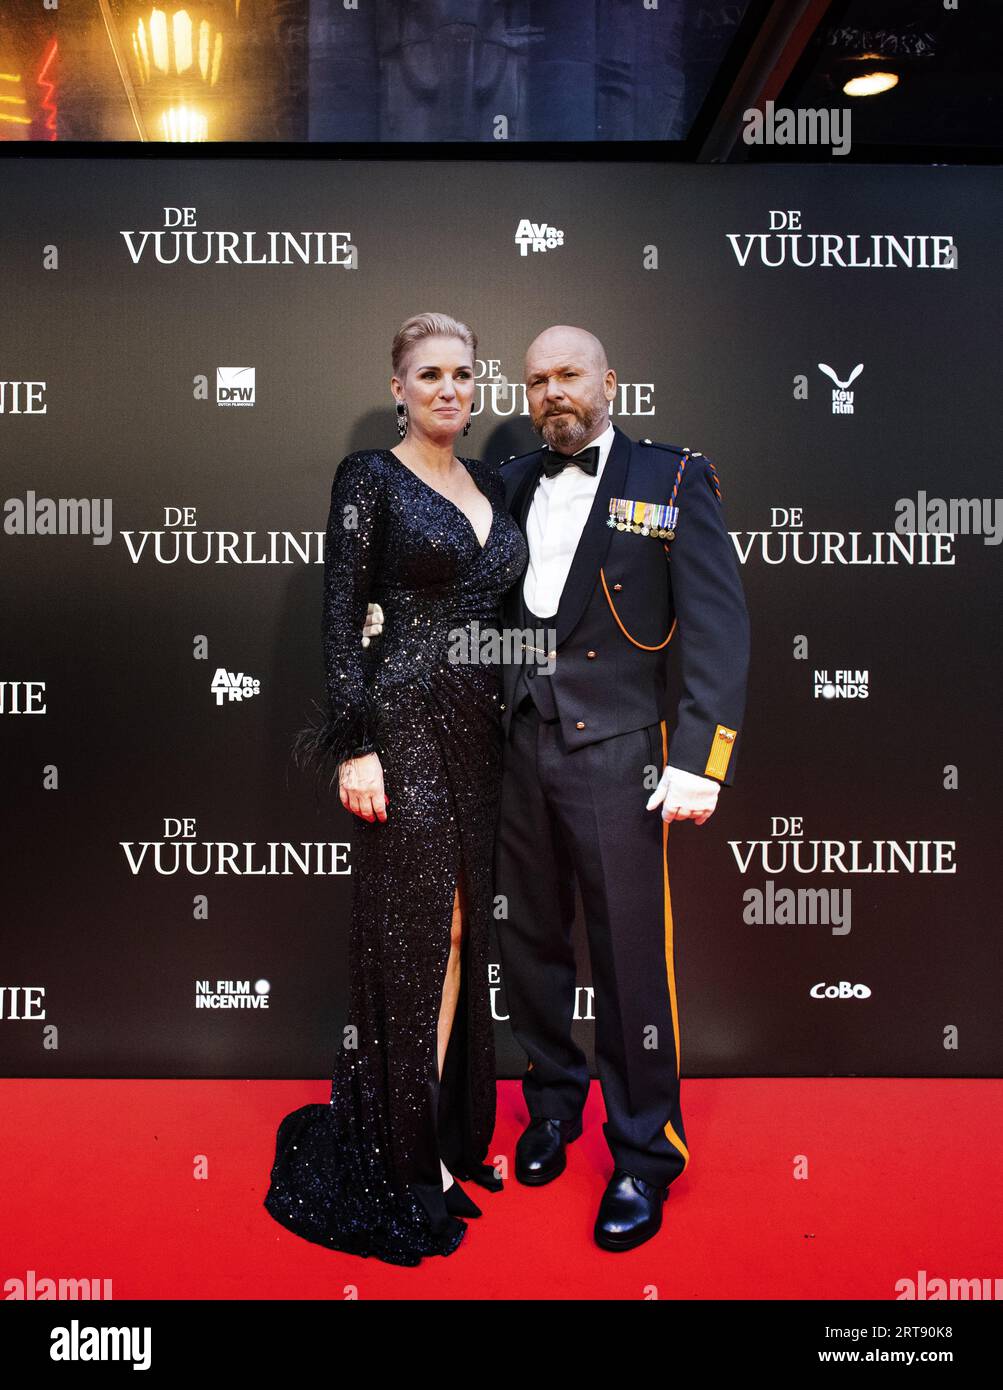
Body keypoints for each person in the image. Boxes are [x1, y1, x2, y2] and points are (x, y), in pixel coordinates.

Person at [262, 312, 528, 1267]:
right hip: (402, 721)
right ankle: (395, 1152)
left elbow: (497, 619)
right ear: (400, 388)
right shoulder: (368, 479)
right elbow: (341, 621)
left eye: (464, 373)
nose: (450, 389)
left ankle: (444, 1138)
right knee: (415, 932)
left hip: (480, 730)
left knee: (460, 930)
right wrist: (355, 746)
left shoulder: (493, 484)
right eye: (430, 374)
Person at [495, 325, 751, 1252]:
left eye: (567, 375)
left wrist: (699, 755)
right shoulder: (511, 482)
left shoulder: (674, 477)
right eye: (534, 382)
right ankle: (552, 1110)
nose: (551, 392)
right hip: (516, 742)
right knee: (529, 947)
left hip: (620, 753)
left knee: (630, 960)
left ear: (608, 381)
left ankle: (645, 1155)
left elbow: (717, 627)